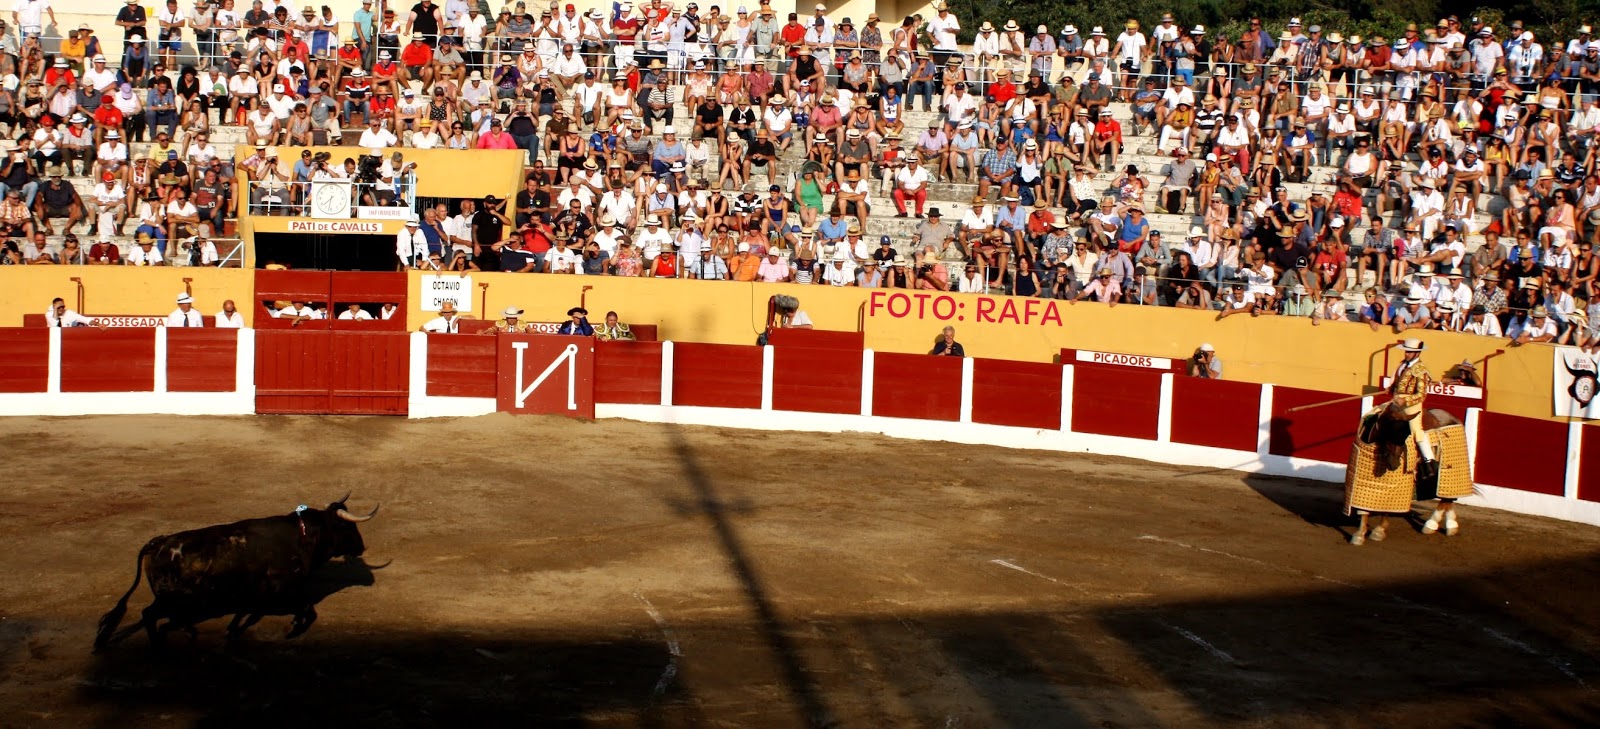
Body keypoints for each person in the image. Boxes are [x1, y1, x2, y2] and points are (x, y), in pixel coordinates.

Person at [1378, 337, 1436, 478]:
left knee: (1416, 430)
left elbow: (1421, 395)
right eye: (1406, 351)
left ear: (1417, 353)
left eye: (1410, 352)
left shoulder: (1421, 370)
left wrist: (1405, 400)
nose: (1406, 354)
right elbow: (1397, 383)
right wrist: (1390, 388)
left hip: (1412, 405)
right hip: (1396, 402)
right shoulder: (1403, 365)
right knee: (1377, 416)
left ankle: (1429, 463)